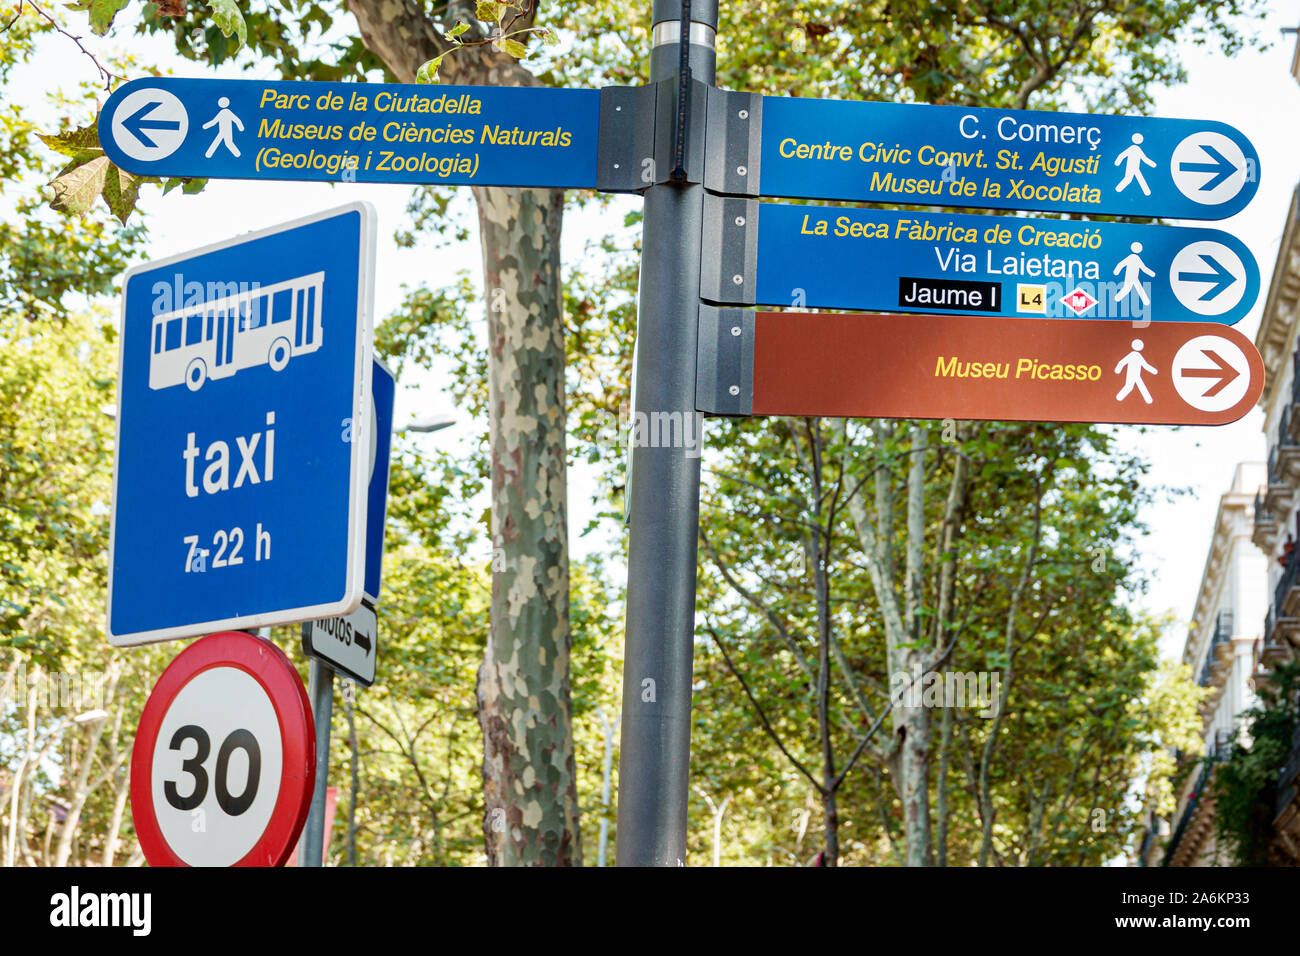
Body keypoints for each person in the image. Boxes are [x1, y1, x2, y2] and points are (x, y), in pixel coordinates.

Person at [1115, 339, 1157, 404]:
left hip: (1137, 375)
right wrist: (1118, 369)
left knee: (1139, 386)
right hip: (1131, 374)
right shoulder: (1132, 355)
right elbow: (1122, 362)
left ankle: (1148, 399)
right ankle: (1119, 397)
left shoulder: (1138, 356)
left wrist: (1153, 371)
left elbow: (1145, 365)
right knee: (1130, 387)